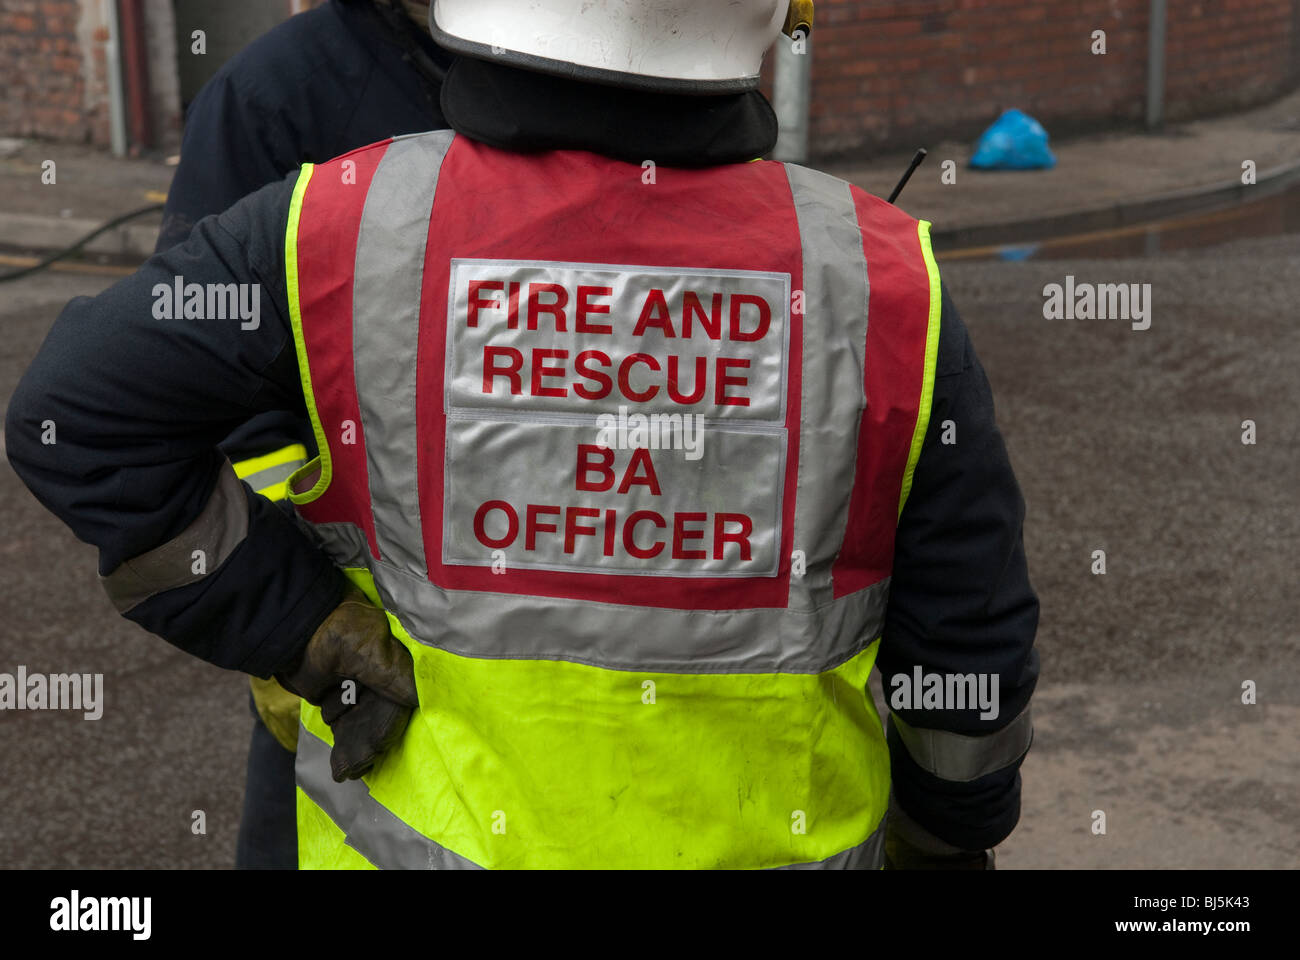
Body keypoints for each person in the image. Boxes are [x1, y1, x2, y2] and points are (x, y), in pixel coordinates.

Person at [6, 0, 1039, 869]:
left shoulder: (331, 226)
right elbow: (967, 645)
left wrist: (301, 622)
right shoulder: (879, 280)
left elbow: (76, 422)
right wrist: (945, 840)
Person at [157, 0, 451, 869]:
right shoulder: (276, 95)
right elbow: (195, 378)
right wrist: (293, 615)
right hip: (360, 638)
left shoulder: (563, 72)